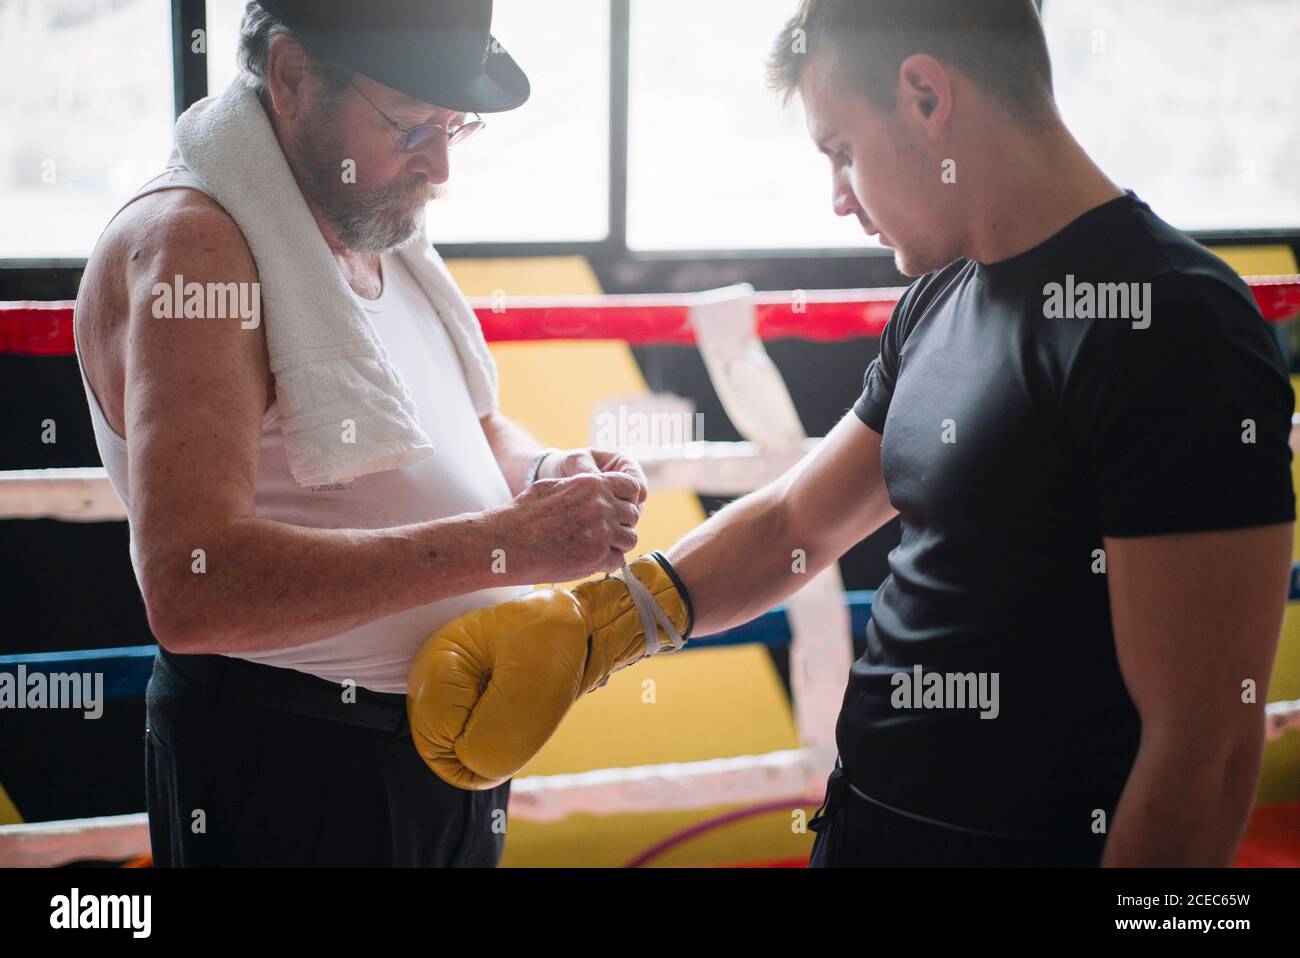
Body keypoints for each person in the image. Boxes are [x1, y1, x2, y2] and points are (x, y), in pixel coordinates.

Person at [412, 0, 1296, 867]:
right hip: (865, 823)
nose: (839, 199)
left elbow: (1206, 749)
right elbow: (802, 520)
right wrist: (608, 622)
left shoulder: (1170, 323)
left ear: (925, 95)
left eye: (841, 151)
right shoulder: (942, 297)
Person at [73, 0, 645, 867]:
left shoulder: (368, 215)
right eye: (414, 123)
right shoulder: (197, 245)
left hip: (438, 750)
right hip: (291, 762)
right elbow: (194, 587)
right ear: (293, 76)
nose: (442, 165)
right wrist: (507, 547)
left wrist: (543, 476)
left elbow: (469, 427)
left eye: (459, 126)